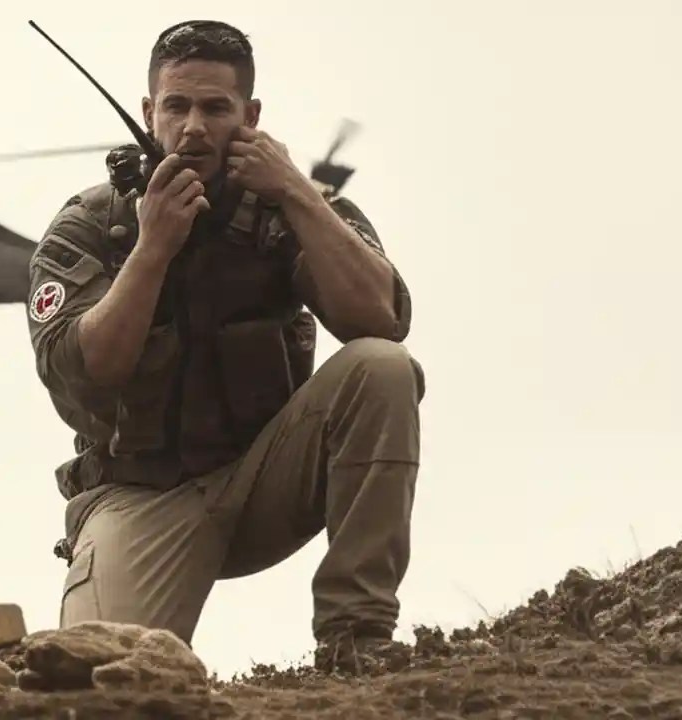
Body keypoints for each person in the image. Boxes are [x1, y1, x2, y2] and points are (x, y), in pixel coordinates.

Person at [24, 19, 424, 675]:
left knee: (382, 368)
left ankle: (357, 640)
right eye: (176, 107)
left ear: (250, 116)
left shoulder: (288, 207)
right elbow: (84, 372)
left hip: (262, 480)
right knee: (96, 682)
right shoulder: (91, 225)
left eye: (215, 108)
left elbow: (381, 318)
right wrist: (153, 249)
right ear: (149, 112)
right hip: (138, 497)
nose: (193, 128)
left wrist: (295, 191)